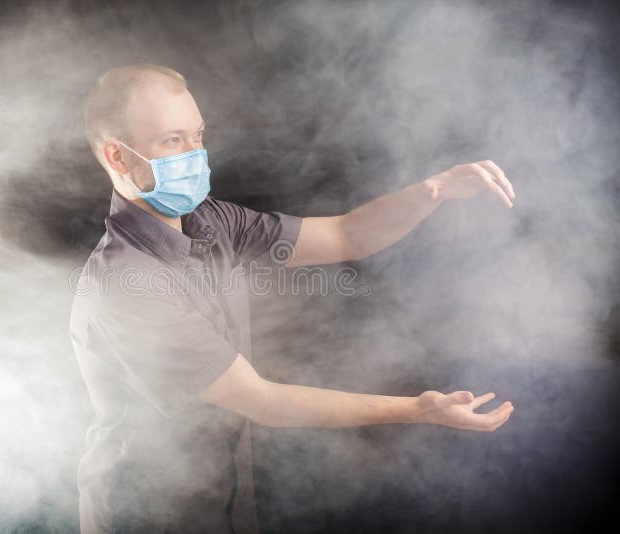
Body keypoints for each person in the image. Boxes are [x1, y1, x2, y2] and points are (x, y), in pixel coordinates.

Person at [69, 64, 516, 534]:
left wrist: (434, 190)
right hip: (144, 514)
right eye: (173, 141)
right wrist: (417, 410)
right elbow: (263, 402)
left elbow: (347, 235)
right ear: (118, 157)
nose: (196, 155)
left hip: (219, 495)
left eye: (198, 136)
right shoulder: (125, 285)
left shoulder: (210, 221)